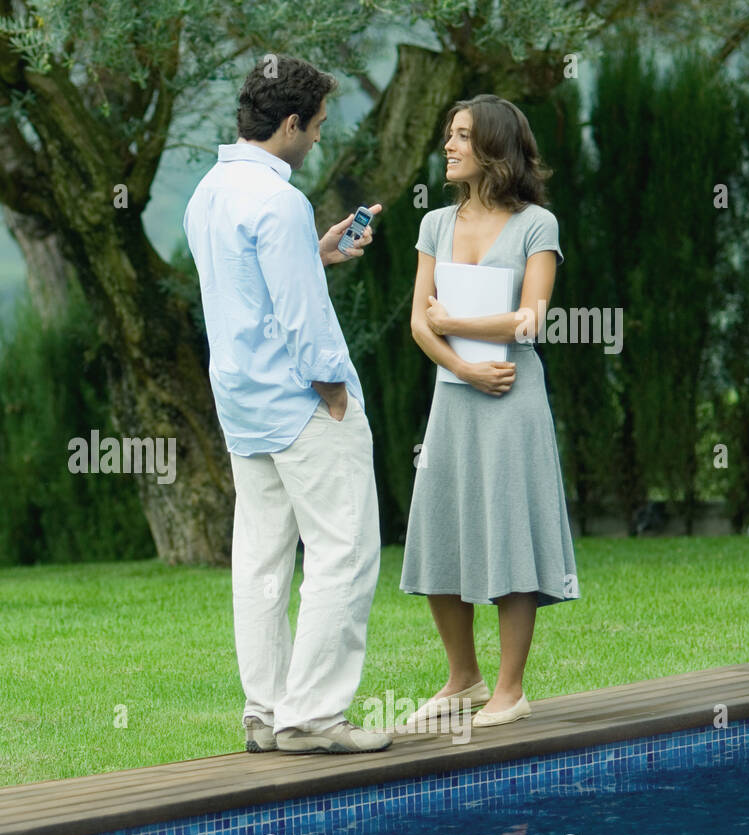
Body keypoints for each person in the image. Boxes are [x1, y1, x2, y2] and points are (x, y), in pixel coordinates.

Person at [182, 54, 390, 755]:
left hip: (241, 406)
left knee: (262, 559)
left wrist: (316, 250)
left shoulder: (207, 193)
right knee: (344, 550)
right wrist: (334, 386)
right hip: (303, 405)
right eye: (319, 126)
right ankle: (314, 717)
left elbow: (248, 289)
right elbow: (301, 317)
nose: (320, 139)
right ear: (292, 124)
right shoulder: (278, 201)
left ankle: (268, 714)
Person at [399, 94, 579, 730]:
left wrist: (462, 326)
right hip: (457, 395)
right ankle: (463, 678)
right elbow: (422, 323)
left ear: (495, 148)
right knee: (440, 528)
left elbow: (532, 318)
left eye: (463, 136)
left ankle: (510, 689)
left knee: (508, 532)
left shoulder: (538, 224)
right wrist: (463, 365)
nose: (449, 146)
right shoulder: (434, 226)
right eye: (448, 135)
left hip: (512, 398)